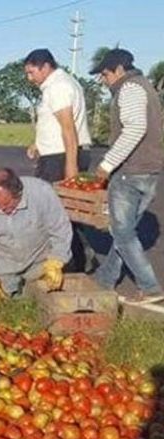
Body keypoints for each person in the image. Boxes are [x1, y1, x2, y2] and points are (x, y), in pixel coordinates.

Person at [90, 49, 164, 304]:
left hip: (130, 172)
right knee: (126, 231)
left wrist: (107, 164)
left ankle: (150, 286)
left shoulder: (130, 88)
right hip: (149, 169)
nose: (104, 80)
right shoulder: (146, 87)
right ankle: (105, 278)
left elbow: (135, 128)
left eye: (105, 74)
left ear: (118, 69)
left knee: (121, 233)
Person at [24, 48, 94, 272]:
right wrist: (39, 144)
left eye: (31, 72)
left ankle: (68, 264)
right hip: (56, 154)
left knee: (52, 213)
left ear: (45, 67)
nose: (29, 78)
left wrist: (70, 168)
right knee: (63, 212)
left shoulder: (58, 87)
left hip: (62, 158)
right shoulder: (58, 85)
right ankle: (75, 261)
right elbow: (56, 126)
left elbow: (68, 130)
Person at [0, 168, 72, 306]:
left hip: (40, 260)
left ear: (18, 192)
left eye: (8, 203)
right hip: (5, 264)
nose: (3, 209)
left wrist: (57, 259)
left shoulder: (41, 192)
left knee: (43, 303)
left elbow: (60, 228)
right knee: (2, 306)